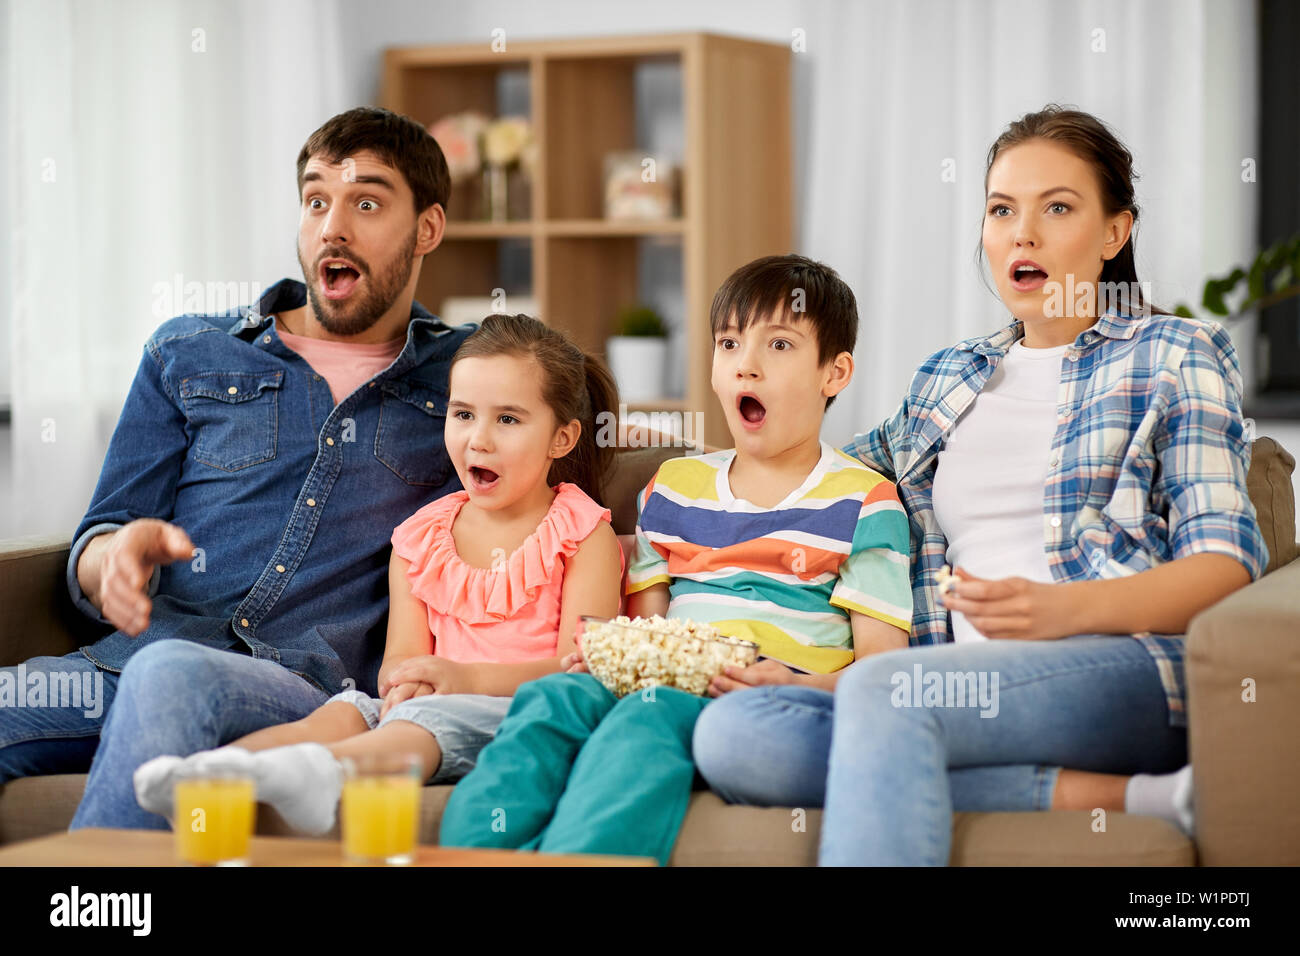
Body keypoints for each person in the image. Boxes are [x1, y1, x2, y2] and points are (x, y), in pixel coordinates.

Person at [693, 105, 1266, 865]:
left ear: (1114, 233)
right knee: (738, 737)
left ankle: (895, 716)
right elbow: (822, 473)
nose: (1021, 233)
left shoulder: (1175, 353)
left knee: (886, 695)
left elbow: (1228, 563)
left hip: (1117, 664)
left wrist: (1062, 609)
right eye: (1002, 210)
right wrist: (674, 479)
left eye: (1056, 207)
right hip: (949, 683)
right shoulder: (951, 376)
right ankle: (1121, 796)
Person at [0, 106, 480, 830]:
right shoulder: (189, 350)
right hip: (128, 665)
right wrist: (112, 561)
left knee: (173, 675)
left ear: (428, 230)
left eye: (367, 202)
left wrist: (615, 427)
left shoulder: (470, 376)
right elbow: (102, 532)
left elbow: (562, 410)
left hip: (308, 695)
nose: (332, 227)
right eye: (316, 200)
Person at [438, 254, 915, 865]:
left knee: (648, 716)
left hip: (768, 700)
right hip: (664, 679)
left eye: (779, 344)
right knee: (552, 701)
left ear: (835, 371)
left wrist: (799, 684)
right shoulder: (673, 488)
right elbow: (644, 627)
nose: (747, 363)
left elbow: (882, 670)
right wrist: (606, 652)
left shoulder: (865, 500)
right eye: (729, 343)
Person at [131, 315, 624, 833]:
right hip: (433, 704)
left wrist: (467, 679)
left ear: (562, 438)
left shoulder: (582, 531)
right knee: (345, 711)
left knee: (423, 722)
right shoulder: (420, 538)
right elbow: (400, 662)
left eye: (508, 420)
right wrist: (408, 682)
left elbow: (585, 671)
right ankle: (212, 774)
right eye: (462, 414)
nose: (478, 440)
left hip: (527, 715)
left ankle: (321, 776)